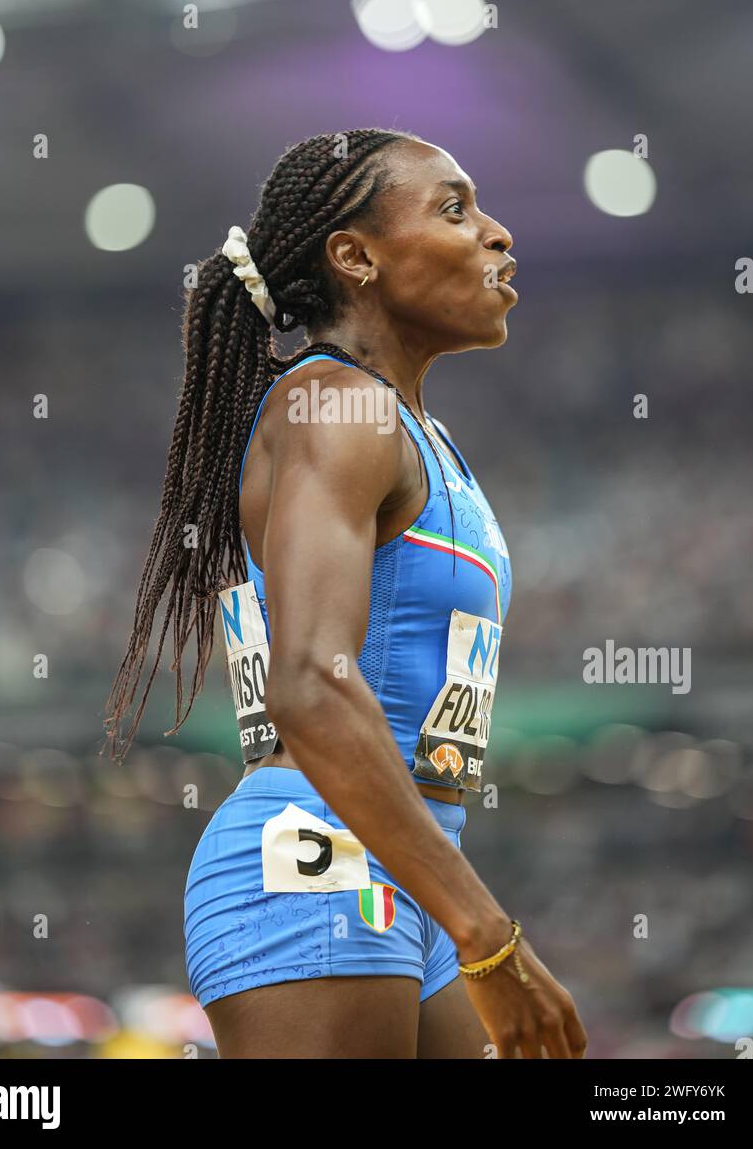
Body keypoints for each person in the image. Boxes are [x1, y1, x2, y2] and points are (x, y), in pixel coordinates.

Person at [104, 127, 587, 1060]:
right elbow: (312, 686)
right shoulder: (337, 408)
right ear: (355, 257)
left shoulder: (404, 428)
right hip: (316, 858)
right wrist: (489, 939)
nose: (497, 235)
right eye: (455, 210)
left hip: (398, 863)